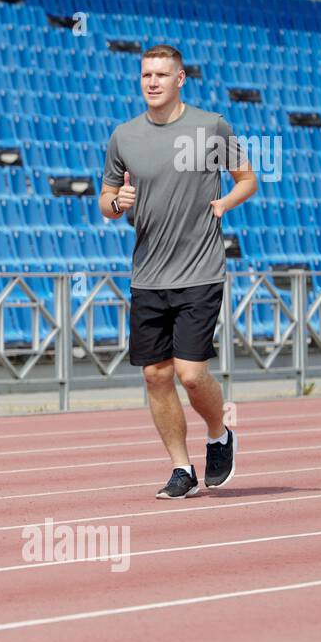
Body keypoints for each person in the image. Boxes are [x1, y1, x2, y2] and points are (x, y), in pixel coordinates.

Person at [99, 44, 258, 499]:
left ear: (180, 78)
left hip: (199, 271)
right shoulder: (123, 136)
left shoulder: (210, 127)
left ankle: (218, 433)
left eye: (161, 75)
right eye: (146, 74)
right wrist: (116, 204)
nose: (152, 82)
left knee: (190, 374)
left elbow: (246, 178)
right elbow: (106, 201)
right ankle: (181, 468)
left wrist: (226, 202)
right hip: (148, 275)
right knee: (155, 376)